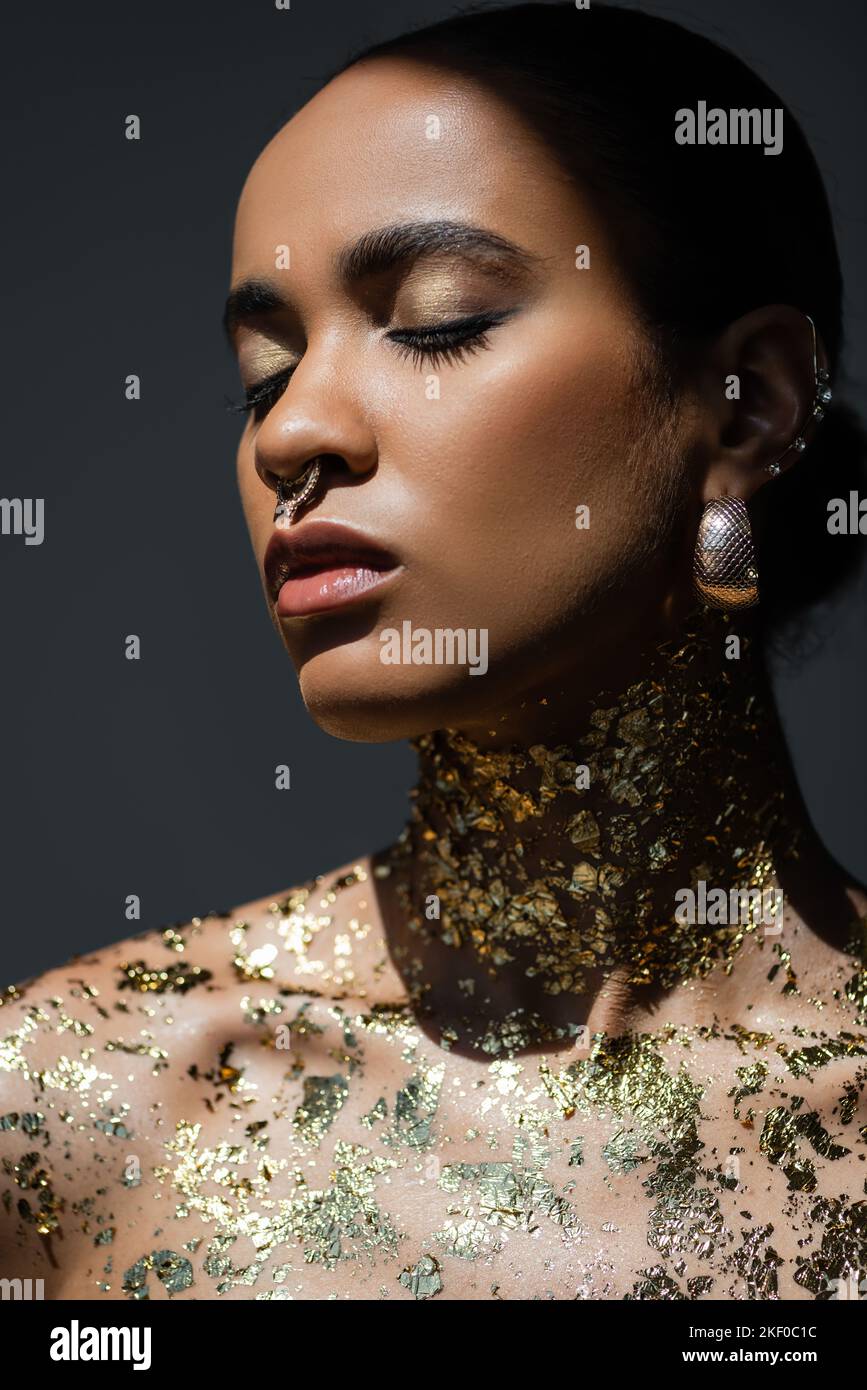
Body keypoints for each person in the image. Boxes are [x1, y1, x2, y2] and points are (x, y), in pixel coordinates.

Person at [2, 2, 866, 1301]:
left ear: (748, 400)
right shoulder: (93, 1100)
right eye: (262, 375)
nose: (293, 434)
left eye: (437, 320)